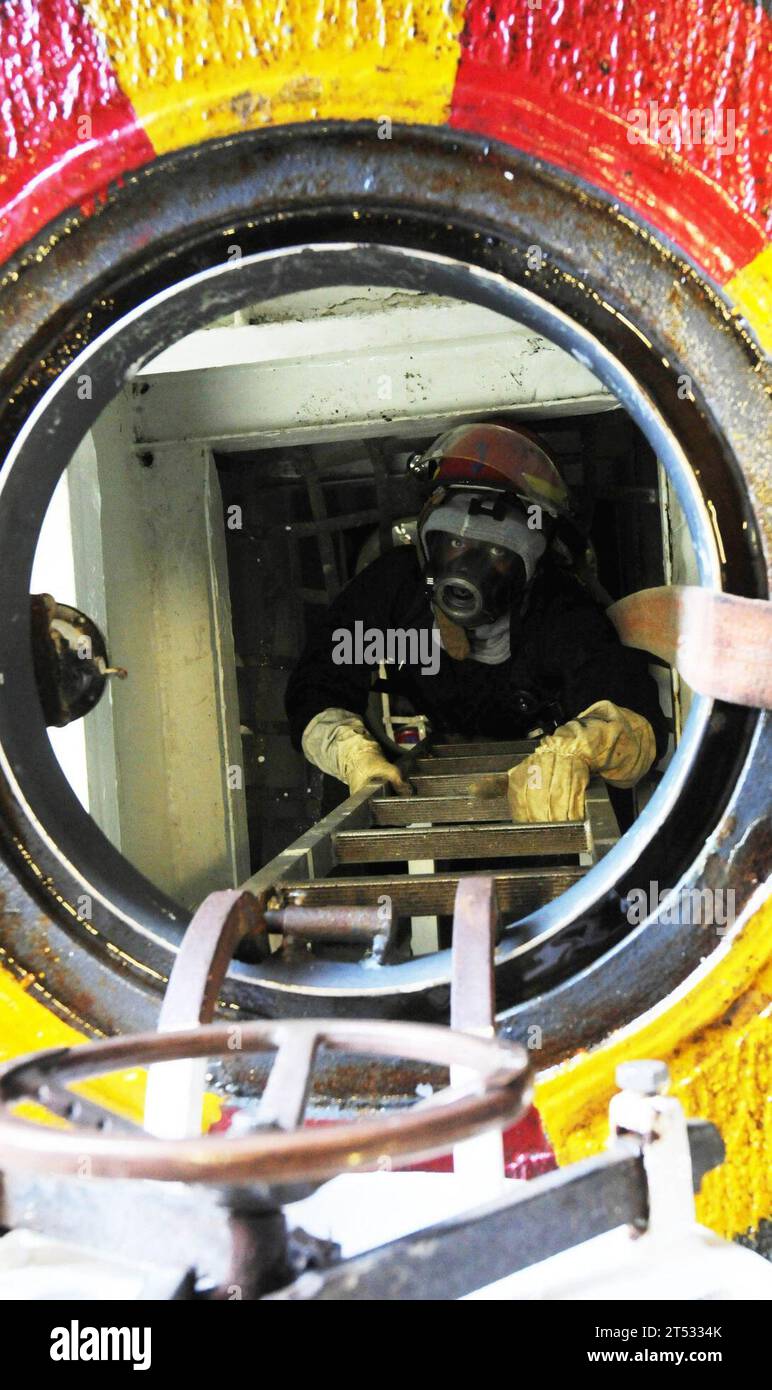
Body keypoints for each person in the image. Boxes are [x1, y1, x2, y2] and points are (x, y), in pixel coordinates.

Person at [285, 423, 667, 822]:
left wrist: (581, 749)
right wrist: (352, 753)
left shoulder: (558, 610)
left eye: (496, 554)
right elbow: (319, 678)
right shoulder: (399, 586)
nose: (466, 571)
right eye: (454, 543)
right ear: (427, 548)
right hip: (437, 733)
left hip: (533, 741)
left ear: (530, 567)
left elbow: (630, 710)